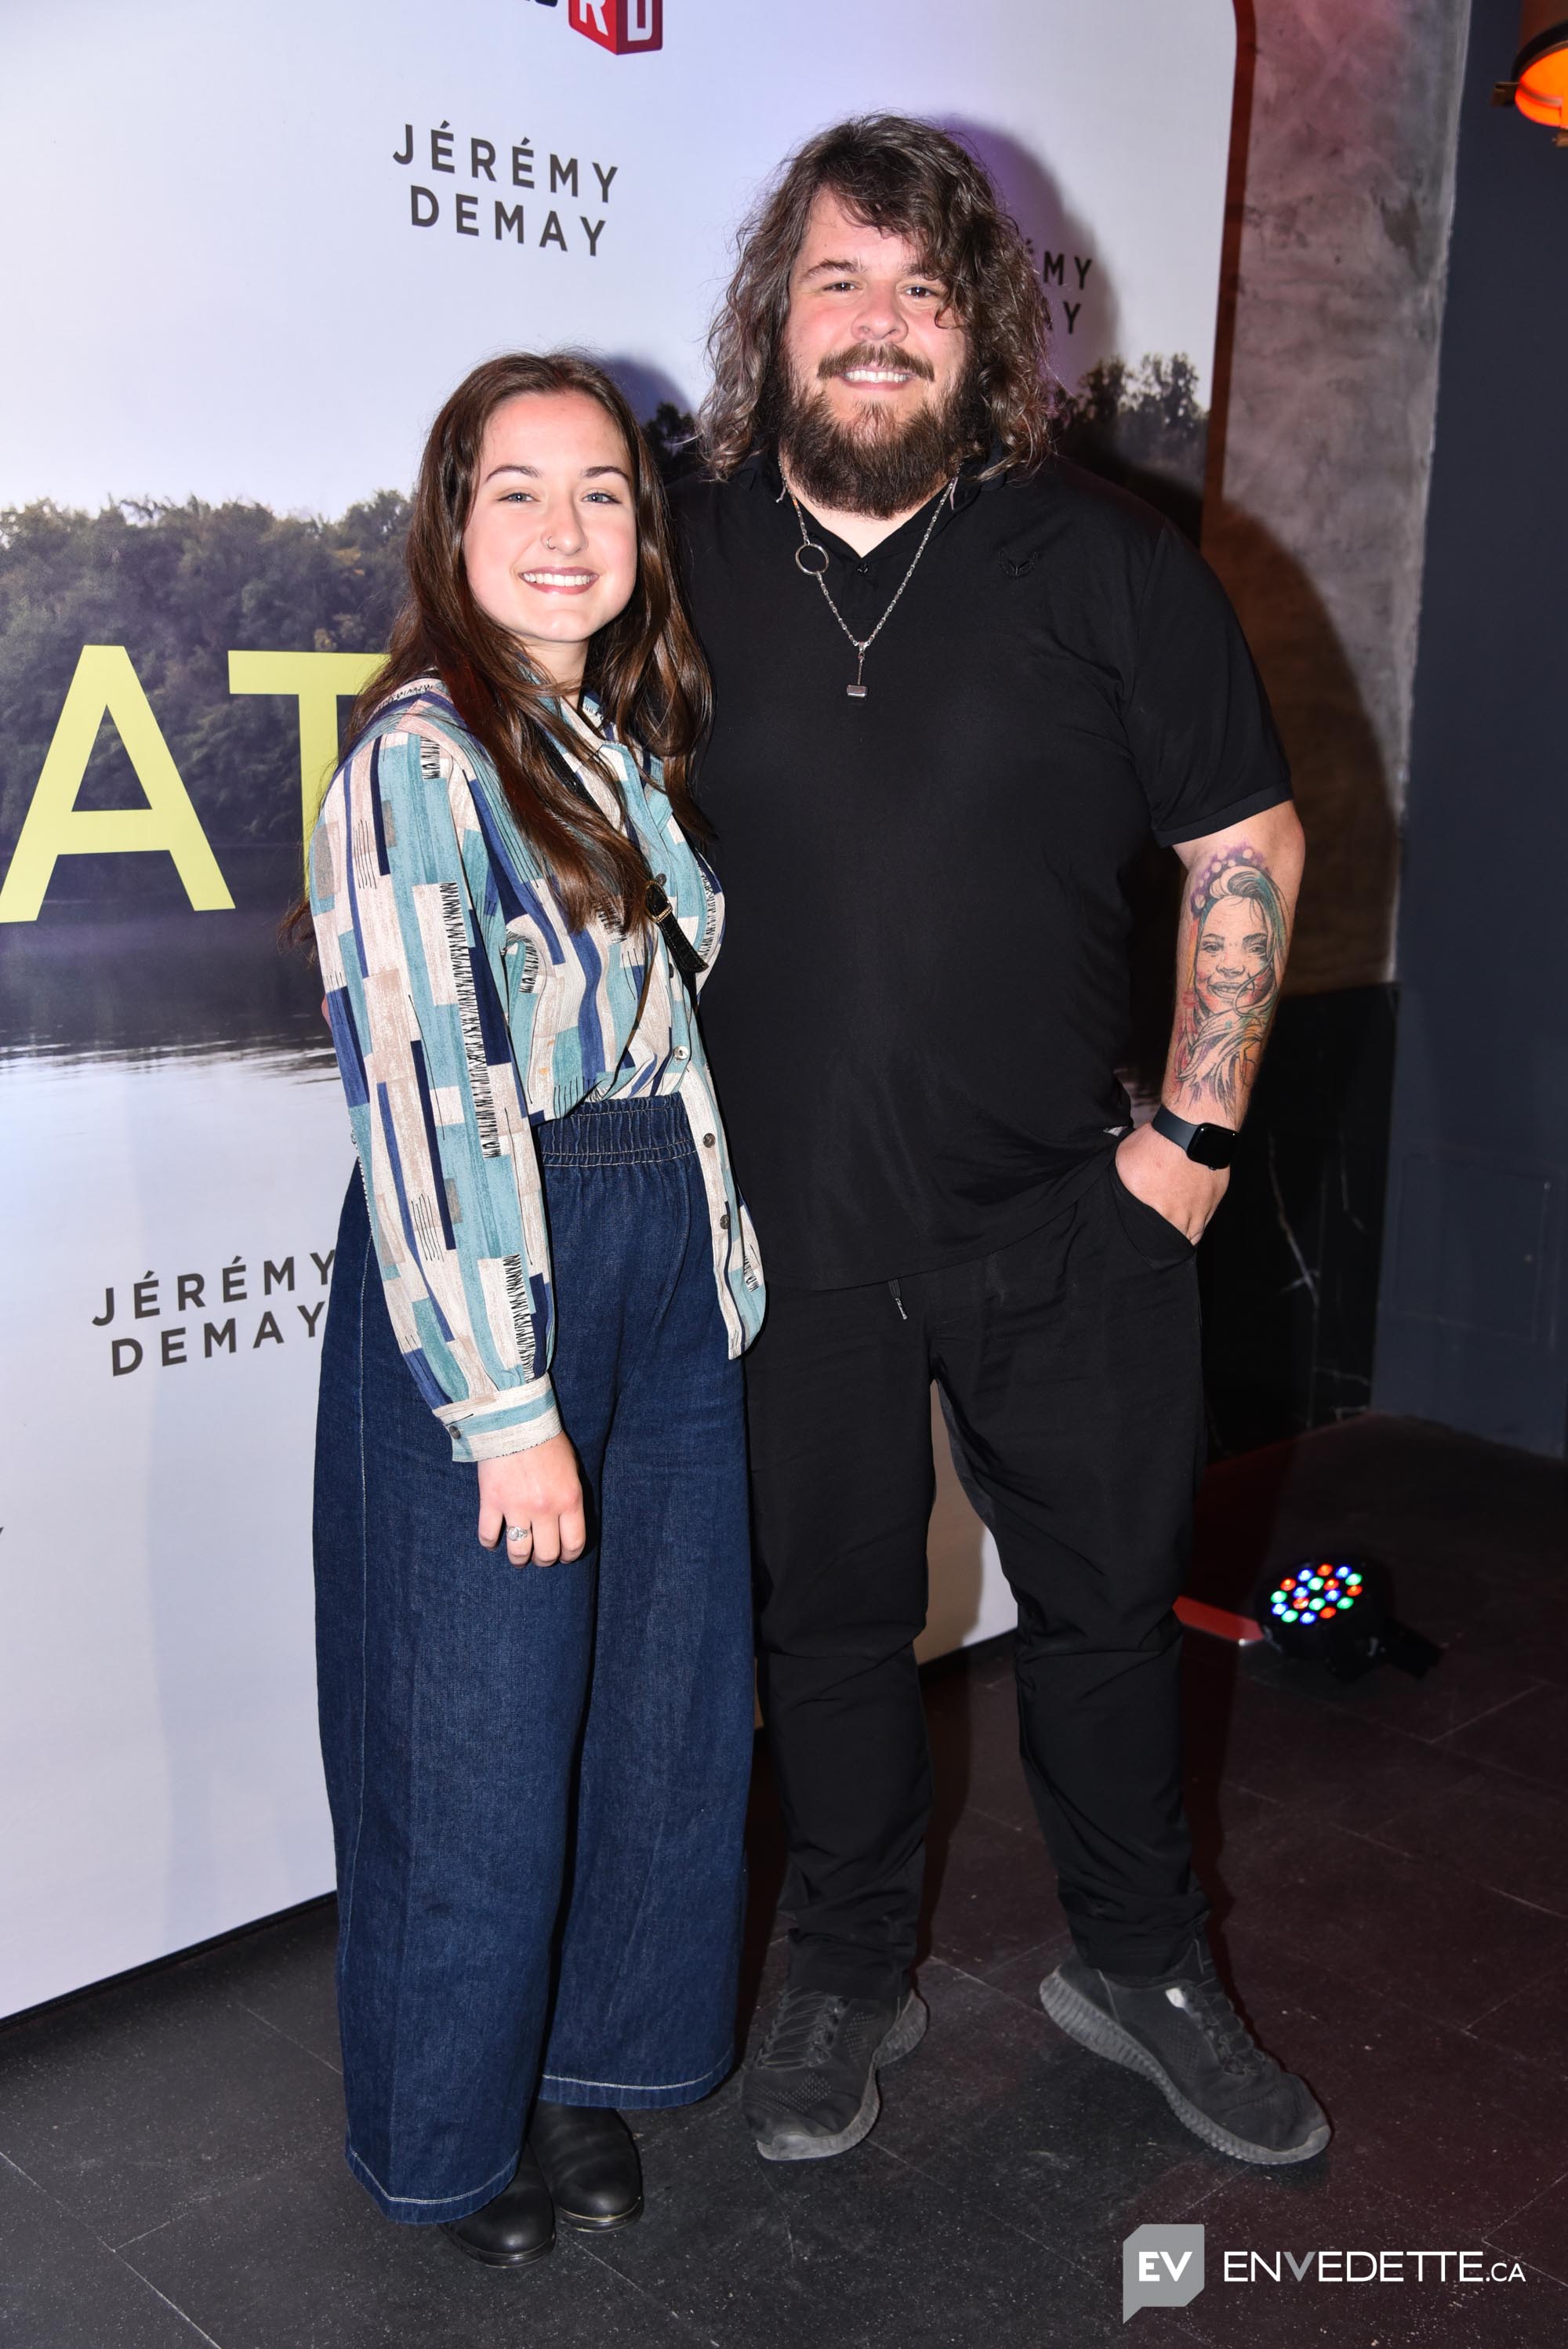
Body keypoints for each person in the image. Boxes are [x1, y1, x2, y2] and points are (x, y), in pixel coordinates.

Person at [670, 116, 1330, 2169]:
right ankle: (843, 1963)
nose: (876, 331)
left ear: (982, 335)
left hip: (1071, 1210)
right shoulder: (671, 560)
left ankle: (1138, 1961)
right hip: (790, 1230)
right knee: (832, 1624)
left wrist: (1198, 1135)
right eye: (837, 286)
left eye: (920, 293)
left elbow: (1248, 838)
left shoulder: (1106, 561)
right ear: (776, 320)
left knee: (1114, 1608)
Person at [306, 352, 764, 2266]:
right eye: (521, 492)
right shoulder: (421, 754)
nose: (566, 531)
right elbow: (424, 1089)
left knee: (660, 1706)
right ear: (453, 519)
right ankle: (448, 2130)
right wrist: (503, 1398)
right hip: (506, 1250)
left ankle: (593, 2065)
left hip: (657, 1239)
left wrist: (709, 1263)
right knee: (472, 1728)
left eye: (602, 494)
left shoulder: (607, 742)